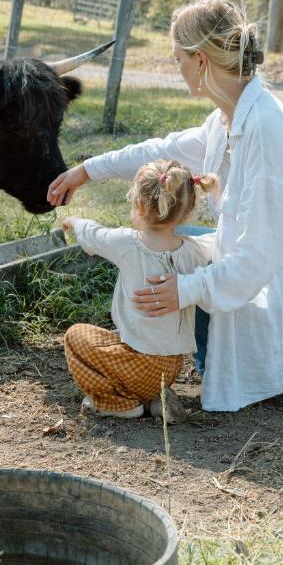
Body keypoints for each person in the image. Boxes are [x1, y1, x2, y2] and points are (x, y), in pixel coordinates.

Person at [47, 0, 283, 412]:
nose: (177, 69)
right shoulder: (228, 118)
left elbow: (262, 253)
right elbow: (164, 148)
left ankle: (166, 360)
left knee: (166, 246)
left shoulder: (265, 129)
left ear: (202, 62)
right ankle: (157, 352)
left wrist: (186, 288)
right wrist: (88, 170)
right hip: (264, 263)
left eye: (178, 59)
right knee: (166, 236)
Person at [61, 160, 218, 421]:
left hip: (140, 364)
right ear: (188, 209)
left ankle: (119, 404)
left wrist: (75, 221)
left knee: (76, 336)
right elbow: (219, 240)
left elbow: (93, 234)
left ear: (141, 205)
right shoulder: (195, 250)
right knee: (114, 340)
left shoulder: (127, 243)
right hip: (171, 367)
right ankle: (155, 401)